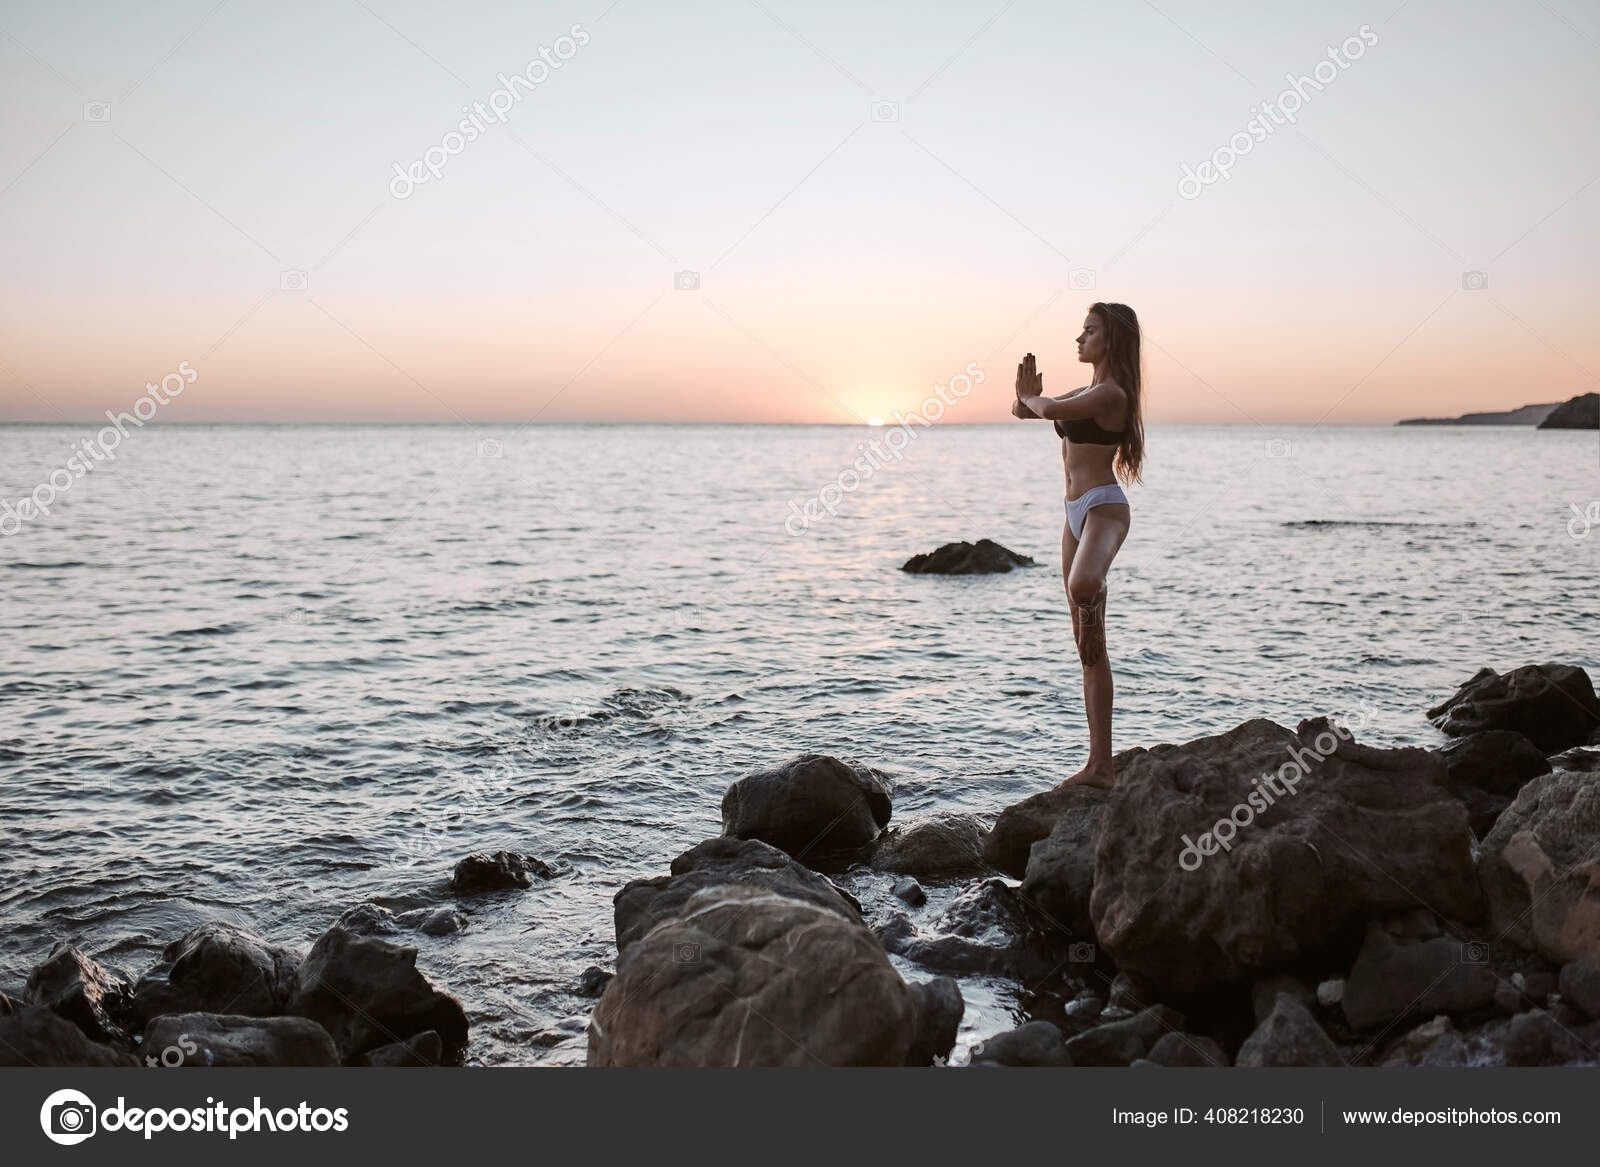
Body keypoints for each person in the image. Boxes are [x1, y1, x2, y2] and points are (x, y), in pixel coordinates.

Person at [1012, 302, 1146, 787]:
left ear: (1111, 340)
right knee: (1089, 652)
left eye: (1089, 331)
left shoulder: (1111, 393)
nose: (1079, 338)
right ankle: (1100, 766)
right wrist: (1023, 397)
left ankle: (1095, 599)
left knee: (1085, 584)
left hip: (1103, 507)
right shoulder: (1088, 389)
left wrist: (1035, 399)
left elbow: (1048, 409)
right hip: (1072, 514)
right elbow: (1025, 412)